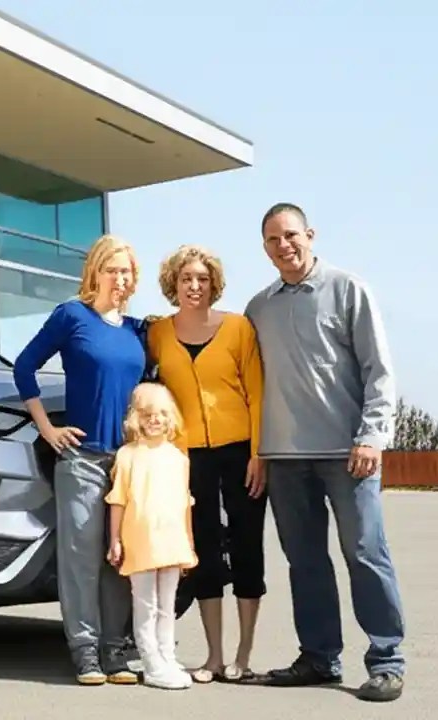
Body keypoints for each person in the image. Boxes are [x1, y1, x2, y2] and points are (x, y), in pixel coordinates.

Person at [243, 203, 406, 703]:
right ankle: (319, 656)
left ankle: (387, 660)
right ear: (265, 247)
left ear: (310, 235)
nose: (284, 245)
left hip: (347, 454)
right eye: (273, 240)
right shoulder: (258, 307)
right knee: (305, 561)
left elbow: (379, 369)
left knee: (364, 554)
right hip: (285, 459)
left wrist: (372, 436)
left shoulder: (348, 289)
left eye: (291, 235)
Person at [13, 234, 147, 686]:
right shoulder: (72, 316)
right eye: (112, 268)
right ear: (95, 271)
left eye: (126, 270)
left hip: (128, 461)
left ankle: (115, 651)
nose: (120, 277)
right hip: (82, 460)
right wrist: (46, 429)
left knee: (119, 559)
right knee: (81, 558)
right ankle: (85, 651)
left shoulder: (136, 331)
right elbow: (23, 366)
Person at [145, 244, 267, 684]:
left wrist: (259, 455)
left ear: (214, 283)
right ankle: (214, 657)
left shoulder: (238, 328)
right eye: (186, 279)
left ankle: (243, 654)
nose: (194, 286)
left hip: (240, 453)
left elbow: (257, 393)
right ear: (172, 284)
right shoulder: (158, 334)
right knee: (204, 553)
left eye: (202, 278)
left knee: (248, 547)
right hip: (187, 457)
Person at [105, 382, 198, 690]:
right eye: (147, 414)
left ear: (170, 417)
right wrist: (114, 539)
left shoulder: (178, 458)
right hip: (141, 540)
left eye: (160, 414)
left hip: (172, 541)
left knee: (166, 603)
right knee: (145, 603)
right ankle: (151, 661)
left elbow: (185, 503)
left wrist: (189, 543)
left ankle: (167, 655)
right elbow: (117, 500)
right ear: (136, 418)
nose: (154, 420)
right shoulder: (128, 455)